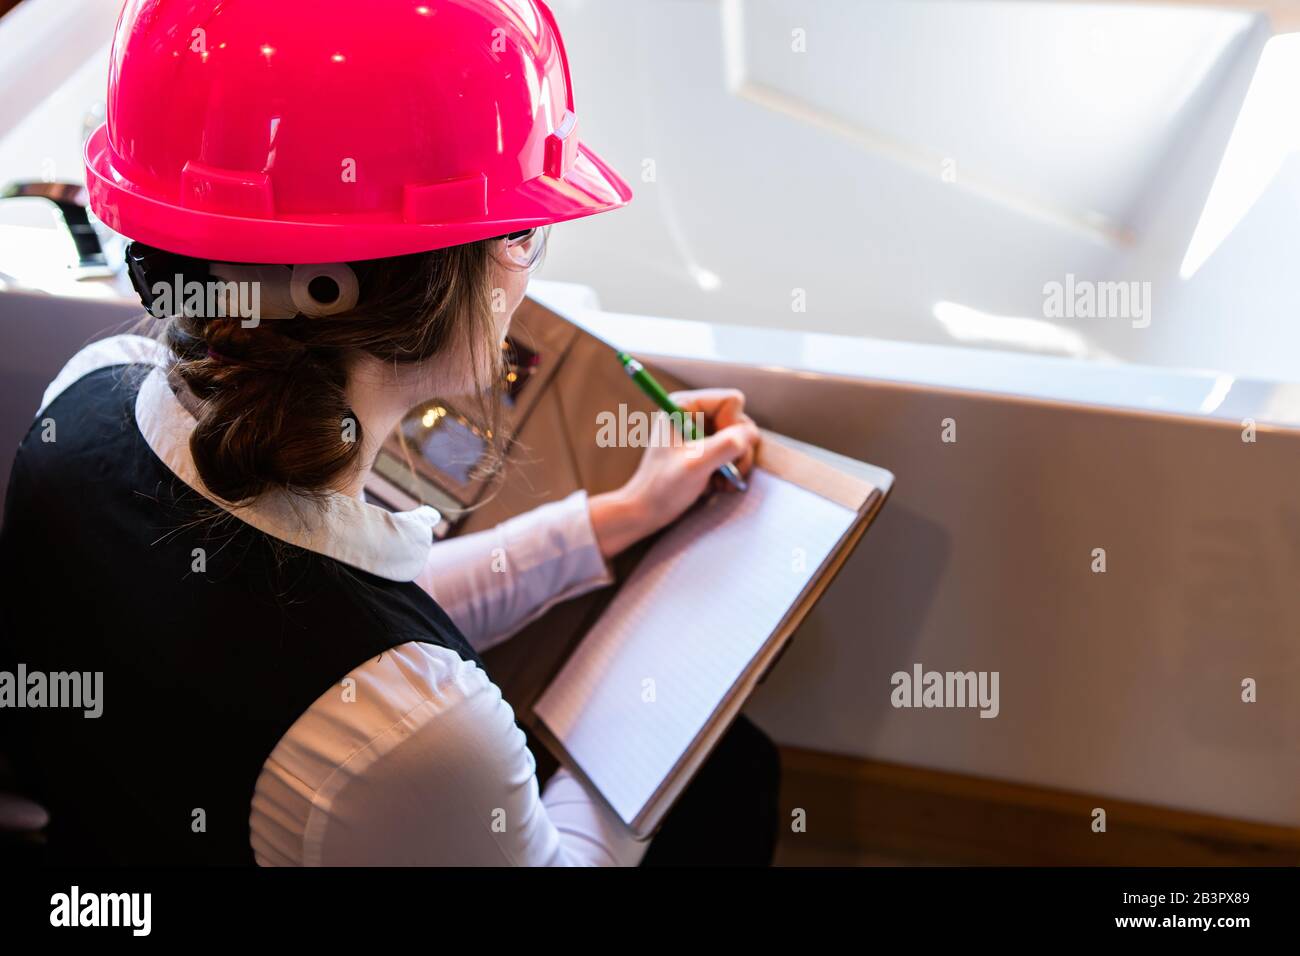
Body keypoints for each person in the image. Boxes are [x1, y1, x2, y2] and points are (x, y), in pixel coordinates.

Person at [0, 0, 779, 865]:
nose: (528, 266)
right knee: (735, 776)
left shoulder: (92, 388)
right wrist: (655, 712)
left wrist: (619, 519)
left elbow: (344, 611)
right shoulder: (418, 742)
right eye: (522, 229)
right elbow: (365, 671)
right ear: (432, 285)